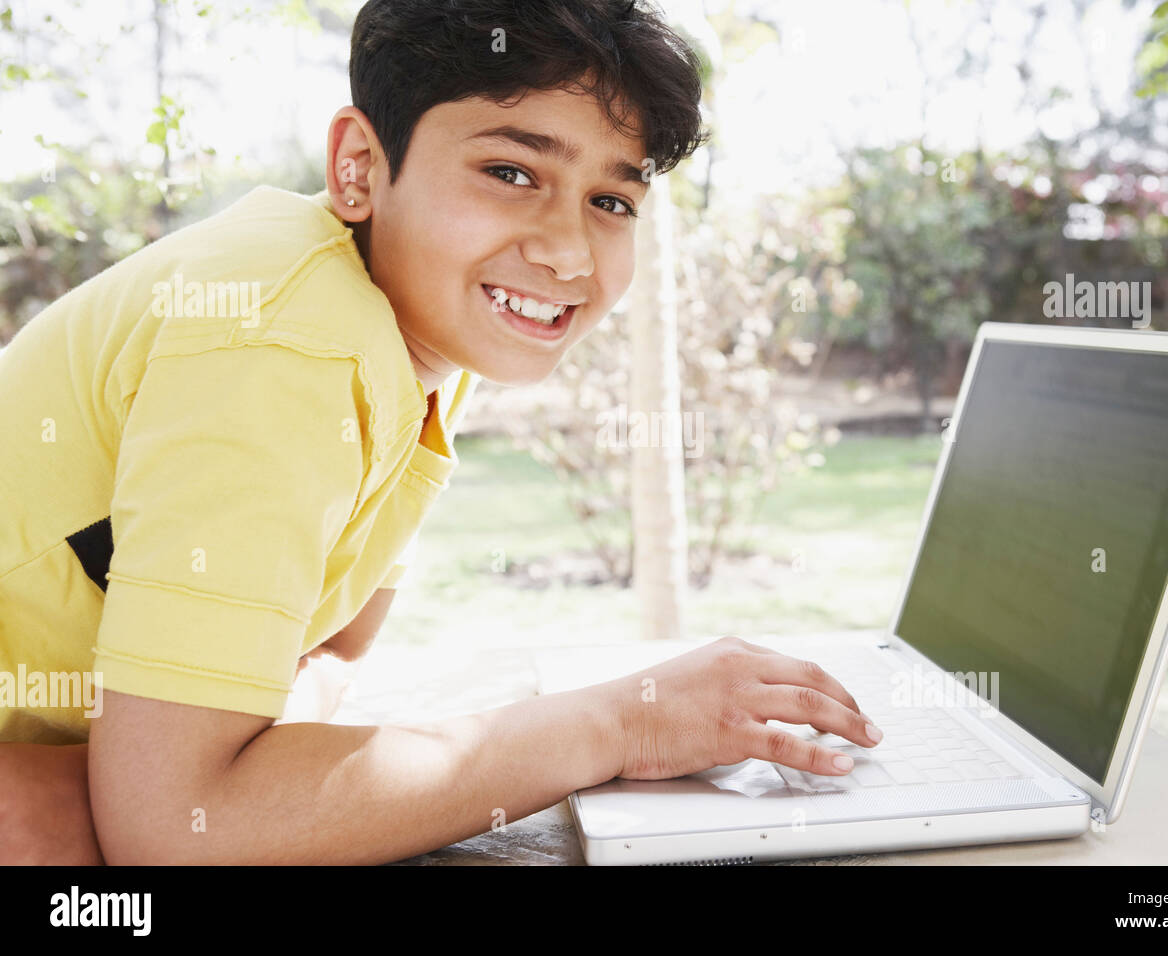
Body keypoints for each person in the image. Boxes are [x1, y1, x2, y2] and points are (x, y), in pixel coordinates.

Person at [0, 0, 882, 865]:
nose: (570, 253)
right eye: (511, 172)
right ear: (359, 165)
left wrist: (187, 781)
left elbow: (331, 651)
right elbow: (179, 836)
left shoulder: (419, 340)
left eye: (613, 199)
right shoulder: (286, 337)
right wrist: (626, 719)